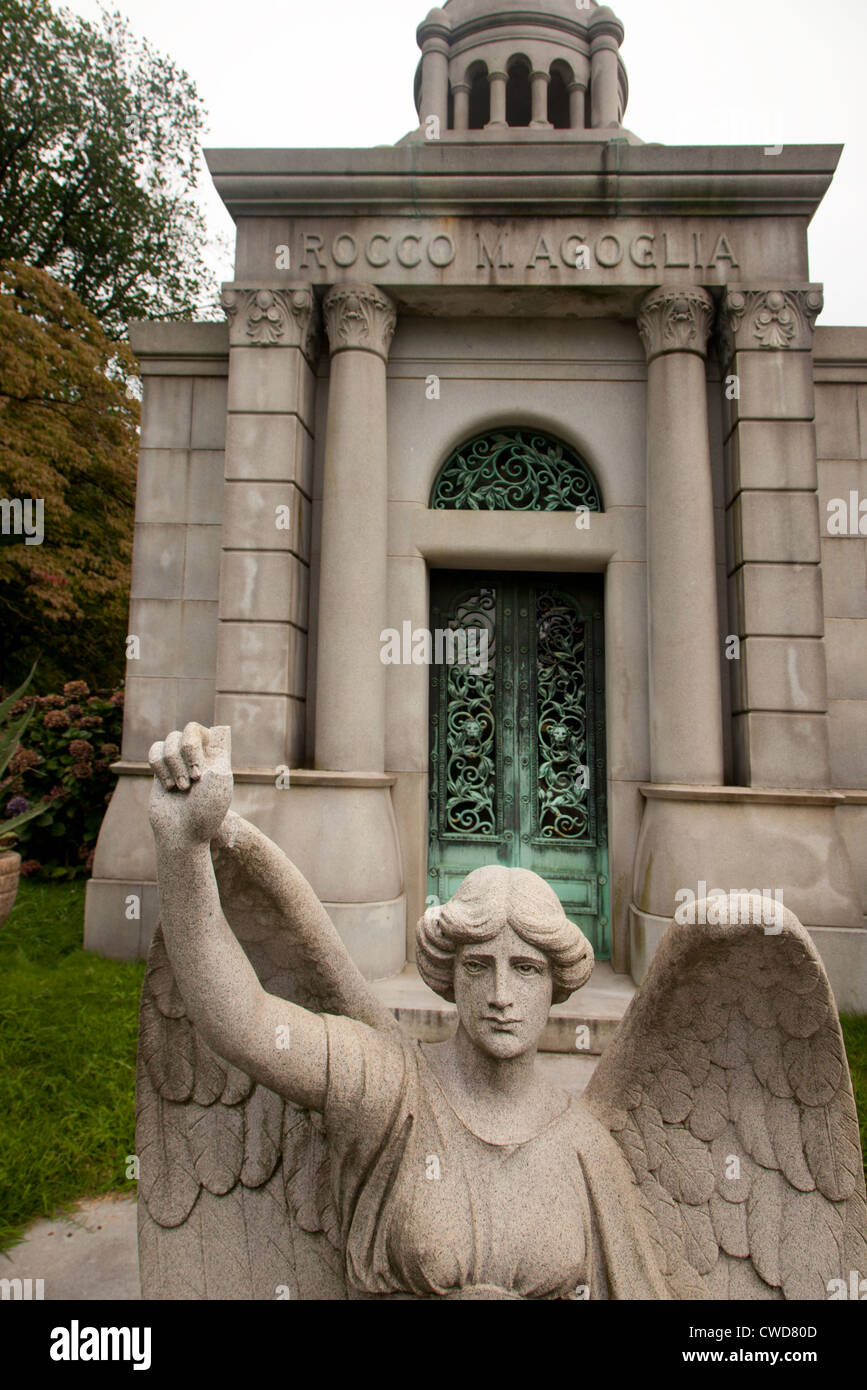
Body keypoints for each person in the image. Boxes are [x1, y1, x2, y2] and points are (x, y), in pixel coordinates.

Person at [148, 722, 668, 1300]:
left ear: (555, 984)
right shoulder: (390, 1088)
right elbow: (243, 1022)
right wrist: (182, 848)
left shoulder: (587, 1150)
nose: (501, 995)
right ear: (448, 975)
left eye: (525, 969)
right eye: (477, 967)